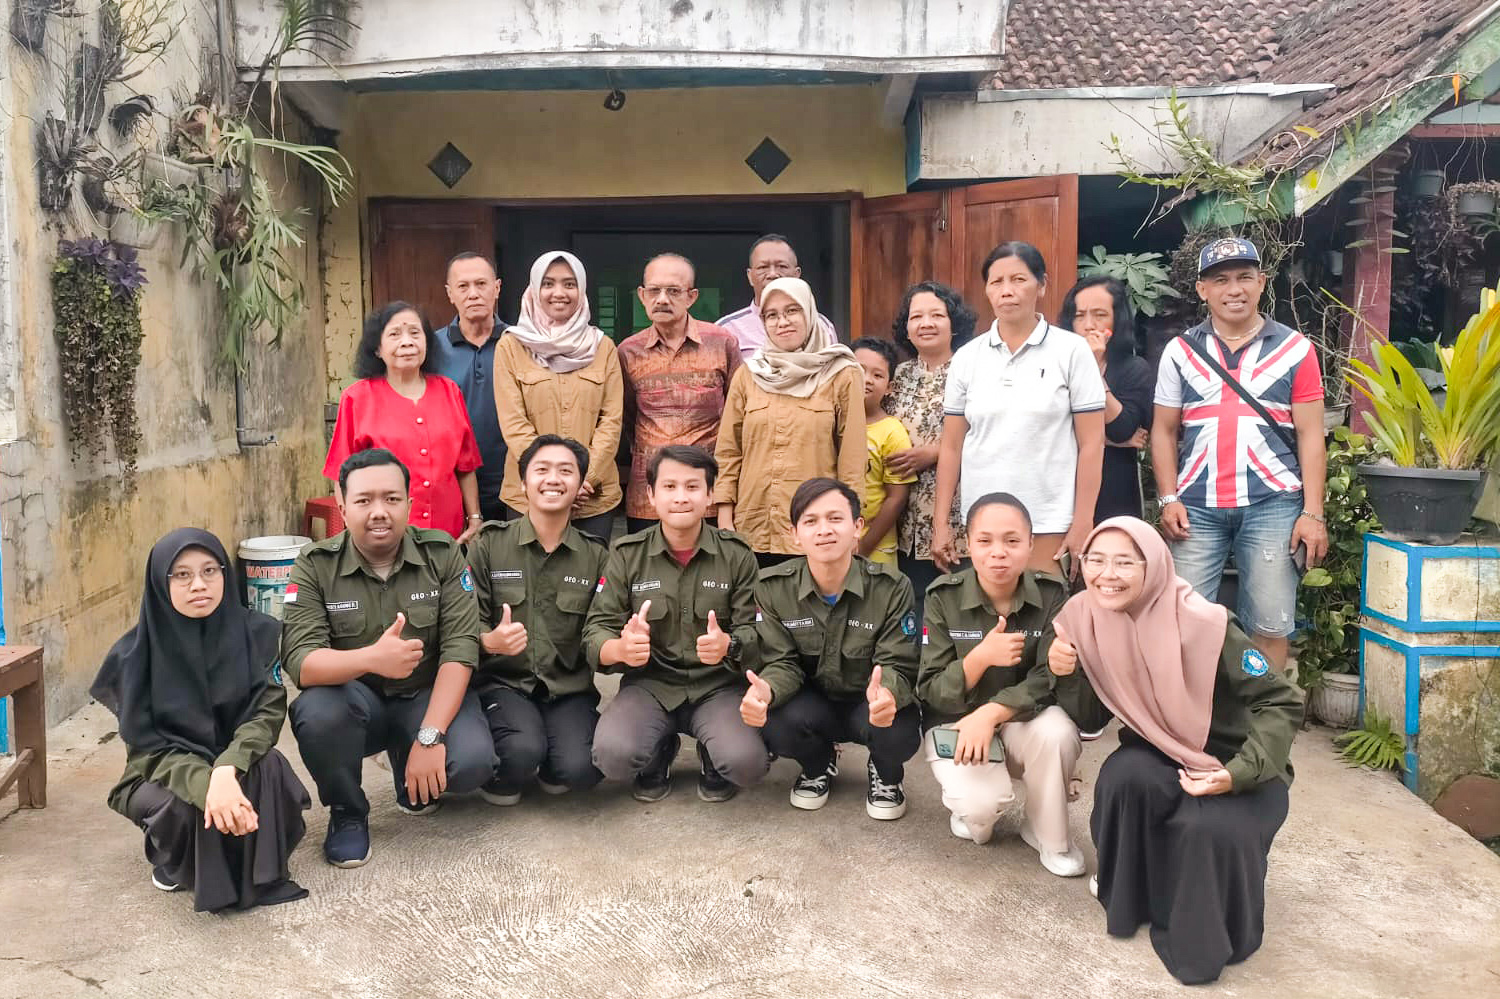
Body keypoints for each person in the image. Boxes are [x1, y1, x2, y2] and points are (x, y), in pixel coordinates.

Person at [1050, 516, 1303, 986]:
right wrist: (1068, 672)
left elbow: (1280, 701)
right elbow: (1089, 719)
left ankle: (1201, 935)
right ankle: (1132, 893)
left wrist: (1239, 772)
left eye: (1124, 562)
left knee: (1204, 830)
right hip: (1163, 753)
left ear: (1155, 567)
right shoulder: (1085, 616)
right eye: (1096, 561)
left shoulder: (1205, 624)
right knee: (1123, 778)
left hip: (1236, 763)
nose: (1107, 574)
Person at [282, 449, 494, 868]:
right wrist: (371, 659)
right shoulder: (314, 565)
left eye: (392, 499)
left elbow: (460, 648)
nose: (379, 512)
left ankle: (408, 758)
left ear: (409, 505)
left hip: (422, 698)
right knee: (317, 713)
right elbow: (301, 661)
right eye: (364, 500)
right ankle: (347, 813)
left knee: (472, 761)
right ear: (342, 505)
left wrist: (430, 735)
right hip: (357, 706)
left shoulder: (443, 555)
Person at [92, 529, 310, 912]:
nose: (199, 585)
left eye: (211, 570)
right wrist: (208, 783)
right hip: (164, 772)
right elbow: (149, 751)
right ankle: (172, 856)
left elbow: (266, 712)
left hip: (234, 760)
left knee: (271, 768)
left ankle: (257, 870)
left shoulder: (256, 634)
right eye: (182, 575)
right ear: (160, 582)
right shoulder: (133, 658)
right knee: (180, 806)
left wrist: (227, 767)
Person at [1151, 236, 1328, 670]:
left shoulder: (1295, 350)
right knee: (1183, 620)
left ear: (1262, 282)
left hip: (1274, 504)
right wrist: (1168, 497)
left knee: (1269, 625)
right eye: (1221, 280)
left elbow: (1310, 435)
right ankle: (1192, 726)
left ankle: (1262, 726)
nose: (1235, 289)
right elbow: (1163, 429)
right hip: (1196, 507)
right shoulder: (1181, 351)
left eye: (1245, 277)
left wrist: (1313, 512)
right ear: (1202, 290)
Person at [585, 445, 767, 802]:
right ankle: (658, 749)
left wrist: (729, 645)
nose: (681, 497)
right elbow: (596, 629)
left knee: (746, 764)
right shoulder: (626, 554)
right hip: (650, 685)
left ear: (710, 495)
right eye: (669, 487)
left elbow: (759, 633)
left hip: (717, 687)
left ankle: (713, 755)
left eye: (692, 487)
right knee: (613, 757)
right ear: (650, 495)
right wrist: (620, 649)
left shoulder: (736, 554)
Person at [917, 493, 1083, 876]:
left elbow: (1049, 676)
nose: (998, 553)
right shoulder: (943, 598)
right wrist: (979, 657)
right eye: (985, 541)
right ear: (967, 544)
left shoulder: (1052, 594)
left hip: (1020, 721)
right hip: (957, 723)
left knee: (1057, 731)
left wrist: (992, 713)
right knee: (979, 819)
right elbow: (932, 688)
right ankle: (972, 810)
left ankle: (1047, 833)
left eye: (1011, 541)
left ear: (1029, 544)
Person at [742, 478, 919, 819]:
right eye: (811, 521)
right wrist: (767, 691)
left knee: (899, 729)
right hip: (814, 702)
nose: (824, 530)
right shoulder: (772, 588)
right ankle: (818, 764)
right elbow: (783, 663)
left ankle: (886, 775)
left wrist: (888, 693)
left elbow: (897, 662)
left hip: (866, 702)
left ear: (857, 527)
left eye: (835, 519)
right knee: (774, 722)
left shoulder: (891, 588)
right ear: (795, 533)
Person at [933, 243, 1106, 575]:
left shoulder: (1072, 351)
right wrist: (941, 522)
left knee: (1045, 618)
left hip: (1049, 519)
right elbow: (952, 446)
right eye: (996, 282)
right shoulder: (967, 358)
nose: (1007, 291)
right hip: (982, 522)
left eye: (1018, 280)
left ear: (1041, 285)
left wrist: (1083, 521)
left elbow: (1092, 444)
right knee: (987, 620)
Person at [468, 435, 608, 803]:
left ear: (580, 485)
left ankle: (552, 755)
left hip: (567, 690)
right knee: (519, 754)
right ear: (523, 482)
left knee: (582, 770)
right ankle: (506, 765)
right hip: (504, 682)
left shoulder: (595, 556)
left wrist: (618, 646)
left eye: (566, 471)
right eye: (541, 470)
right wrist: (488, 641)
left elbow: (601, 628)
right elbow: (463, 624)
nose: (553, 479)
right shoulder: (489, 545)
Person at [715, 277, 864, 564]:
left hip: (817, 527)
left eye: (792, 311)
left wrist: (850, 521)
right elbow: (729, 451)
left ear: (809, 313)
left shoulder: (841, 374)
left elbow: (852, 457)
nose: (782, 321)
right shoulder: (749, 375)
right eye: (771, 315)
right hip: (753, 524)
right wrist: (724, 518)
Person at [325, 302, 484, 543]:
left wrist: (474, 518)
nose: (407, 342)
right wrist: (352, 525)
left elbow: (465, 466)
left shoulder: (450, 391)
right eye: (395, 334)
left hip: (448, 535)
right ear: (377, 348)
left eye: (415, 333)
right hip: (381, 534)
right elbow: (340, 473)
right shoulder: (357, 398)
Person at [494, 250, 624, 540]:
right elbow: (513, 424)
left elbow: (611, 422)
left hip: (591, 498)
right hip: (527, 497)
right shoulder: (511, 346)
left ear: (582, 289)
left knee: (590, 583)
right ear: (534, 289)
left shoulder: (603, 347)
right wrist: (548, 478)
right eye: (548, 283)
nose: (559, 293)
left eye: (569, 283)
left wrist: (582, 478)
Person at [618, 254, 743, 534]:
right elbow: (626, 419)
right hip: (648, 496)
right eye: (654, 290)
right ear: (641, 295)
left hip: (707, 492)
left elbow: (738, 416)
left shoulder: (722, 343)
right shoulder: (628, 351)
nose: (662, 299)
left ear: (692, 296)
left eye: (673, 291)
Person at [882, 281, 979, 618]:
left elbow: (992, 434)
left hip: (956, 516)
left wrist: (935, 452)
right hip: (902, 519)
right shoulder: (897, 375)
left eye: (937, 315)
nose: (926, 323)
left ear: (954, 323)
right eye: (916, 316)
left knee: (959, 612)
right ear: (906, 327)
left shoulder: (973, 370)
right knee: (913, 618)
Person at [1057, 275, 1154, 522]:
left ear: (1117, 319)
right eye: (1079, 316)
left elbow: (1122, 428)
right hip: (1059, 488)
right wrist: (1109, 441)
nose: (1088, 325)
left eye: (1099, 315)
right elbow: (1047, 428)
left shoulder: (1134, 368)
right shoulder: (1053, 365)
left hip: (1114, 489)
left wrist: (1092, 368)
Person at [431, 251, 512, 523]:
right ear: (450, 293)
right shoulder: (430, 349)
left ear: (497, 288)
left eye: (481, 284)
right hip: (452, 483)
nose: (473, 294)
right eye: (463, 286)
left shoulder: (520, 344)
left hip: (514, 482)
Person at [715, 234, 837, 359]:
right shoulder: (726, 330)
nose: (772, 274)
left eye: (782, 266)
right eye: (763, 267)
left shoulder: (821, 325)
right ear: (750, 276)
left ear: (796, 274)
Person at [851, 337, 915, 566]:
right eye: (859, 370)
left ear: (889, 387)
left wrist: (863, 547)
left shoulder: (892, 432)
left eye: (877, 375)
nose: (866, 380)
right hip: (834, 544)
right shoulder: (830, 422)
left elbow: (896, 498)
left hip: (876, 549)